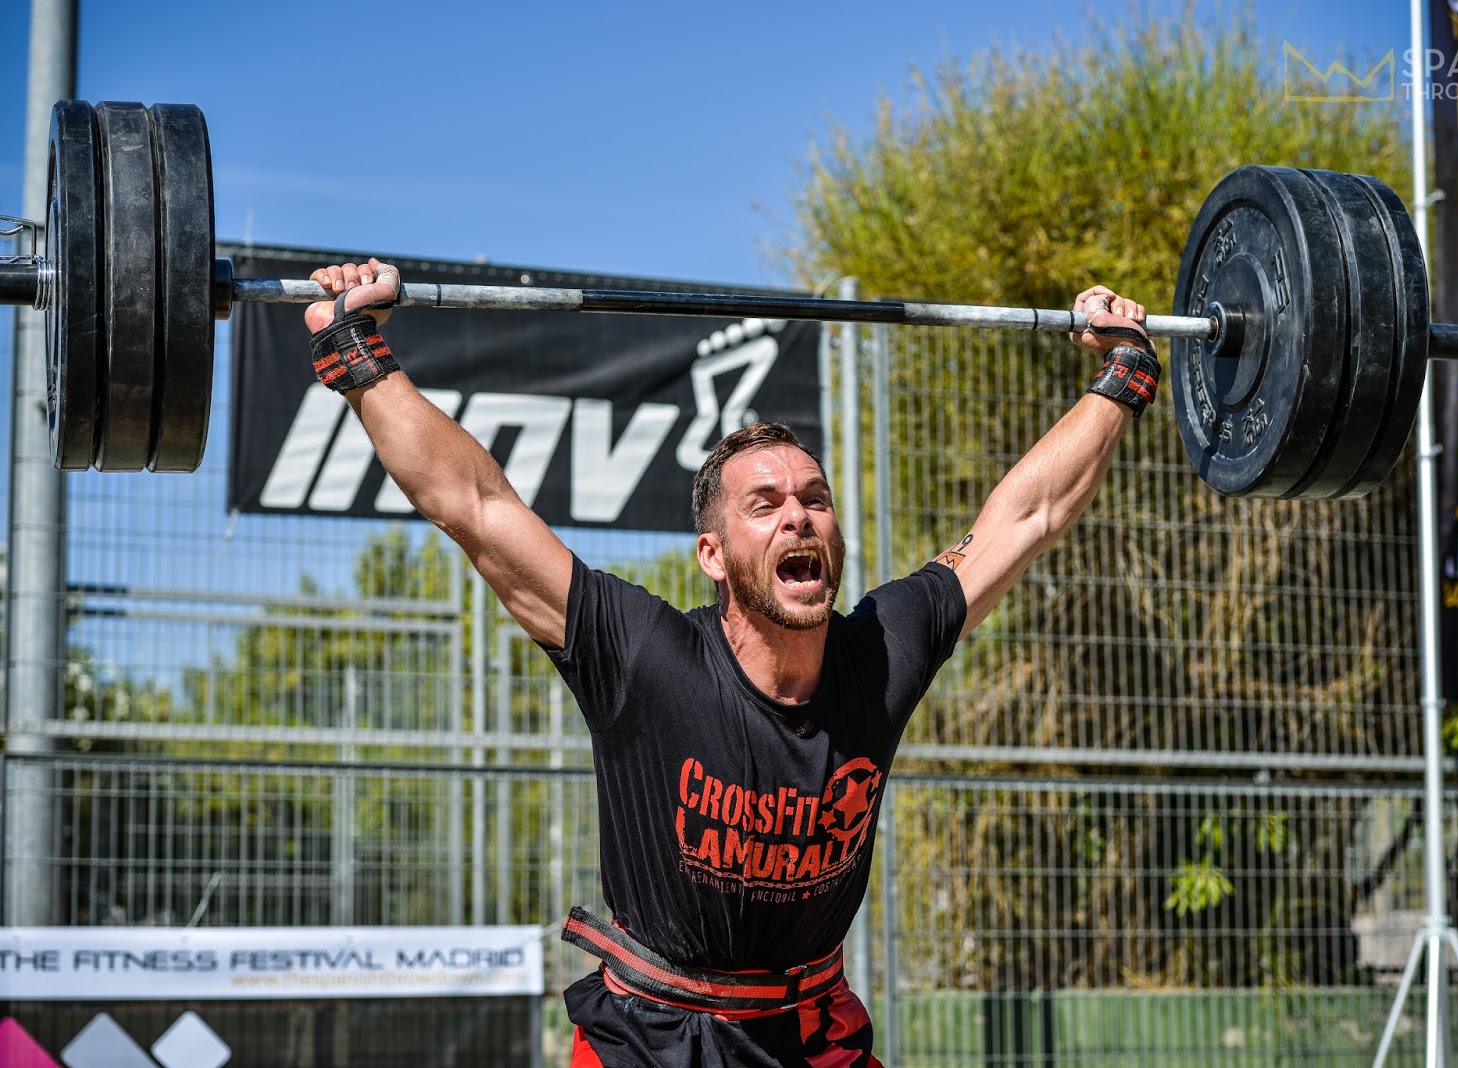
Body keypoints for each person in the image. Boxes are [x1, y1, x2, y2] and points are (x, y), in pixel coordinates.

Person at [304, 258, 1159, 1068]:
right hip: (650, 1035)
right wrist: (356, 351)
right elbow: (476, 507)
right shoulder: (643, 655)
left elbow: (1027, 516)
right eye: (766, 504)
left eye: (815, 500)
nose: (799, 517)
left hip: (807, 1031)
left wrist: (1124, 374)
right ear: (713, 554)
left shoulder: (885, 648)